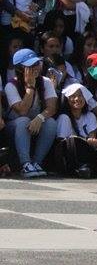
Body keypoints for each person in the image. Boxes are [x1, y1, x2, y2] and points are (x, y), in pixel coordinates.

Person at [4, 49, 58, 177]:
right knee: (24, 120)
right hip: (14, 126)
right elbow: (22, 111)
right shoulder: (11, 85)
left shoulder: (46, 81)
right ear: (20, 69)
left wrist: (40, 117)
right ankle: (25, 163)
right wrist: (30, 87)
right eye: (31, 65)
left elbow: (52, 107)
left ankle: (37, 162)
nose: (36, 68)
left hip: (35, 123)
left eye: (37, 64)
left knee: (50, 122)